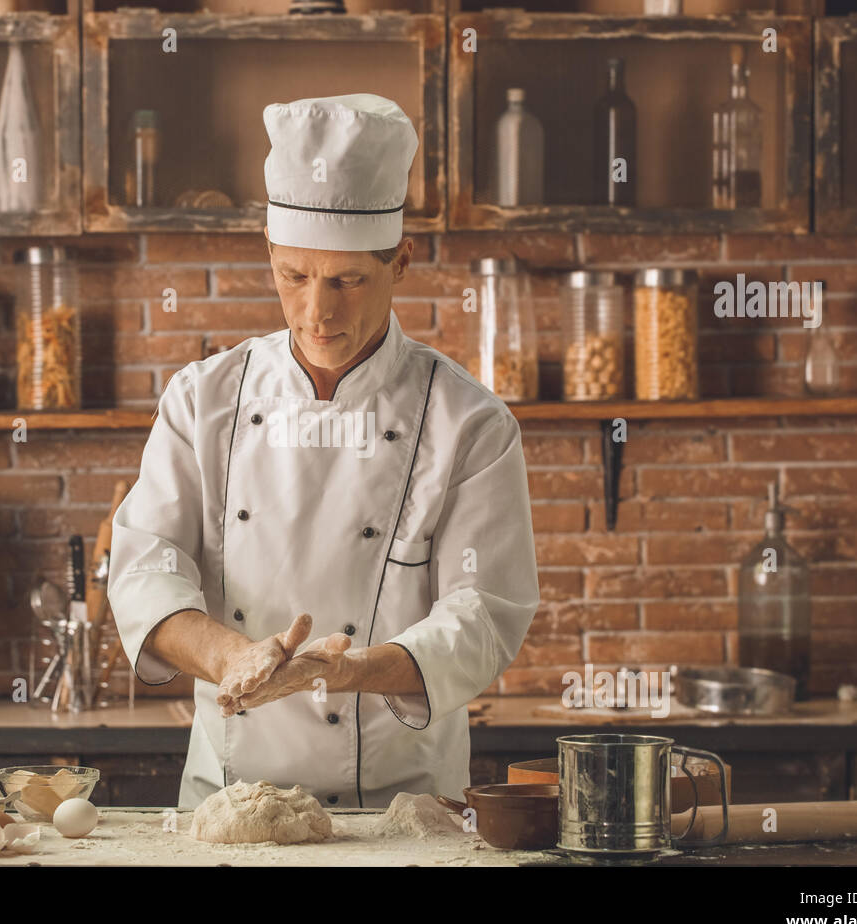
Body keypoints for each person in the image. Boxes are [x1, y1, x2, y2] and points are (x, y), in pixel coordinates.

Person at [108, 93, 540, 810]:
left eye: (347, 280)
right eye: (296, 277)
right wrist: (234, 658)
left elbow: (484, 617)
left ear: (401, 260)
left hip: (402, 813)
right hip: (230, 803)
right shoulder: (202, 400)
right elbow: (145, 570)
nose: (318, 312)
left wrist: (343, 672)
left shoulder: (469, 423)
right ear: (270, 255)